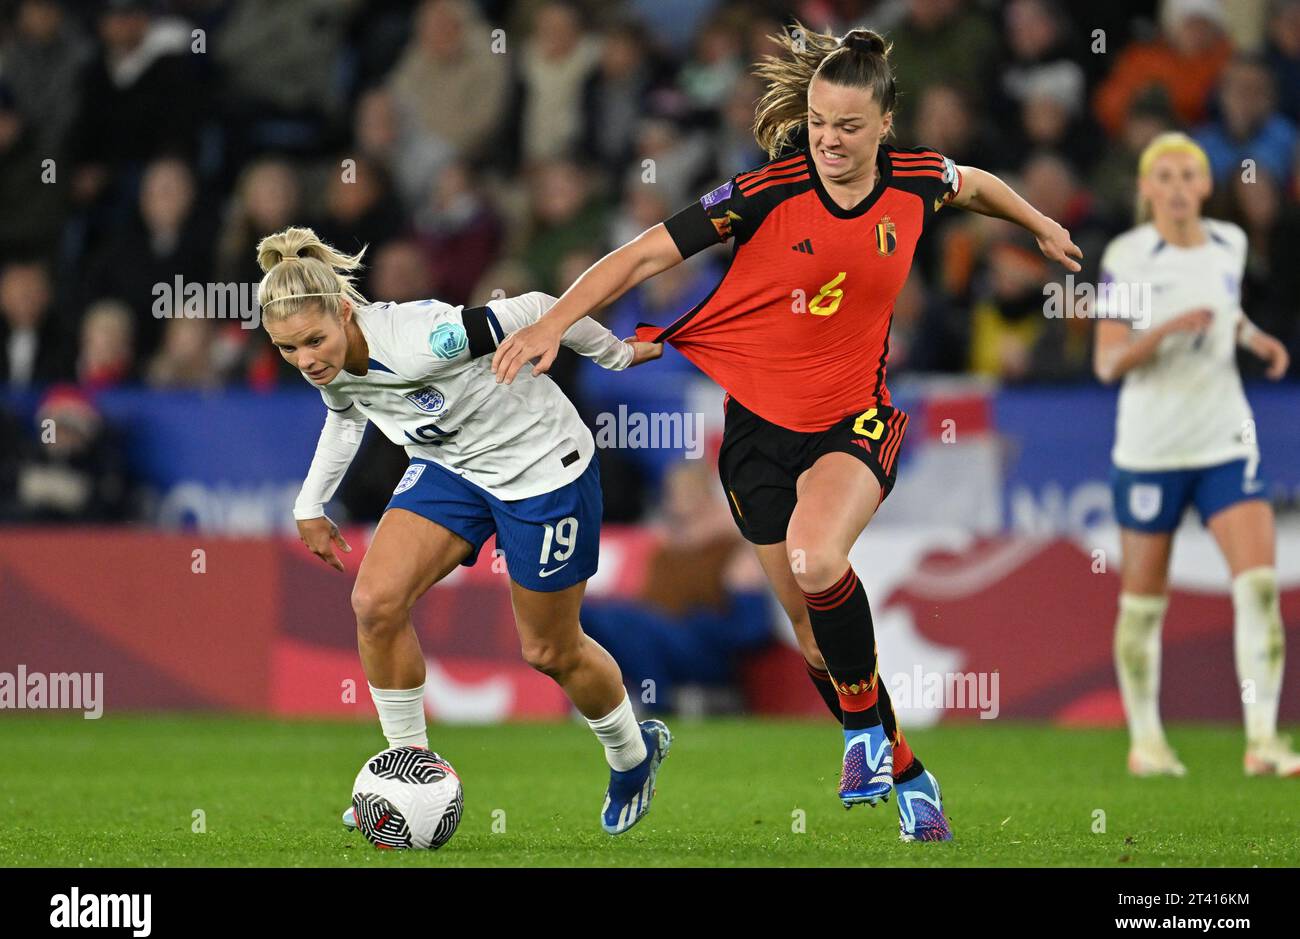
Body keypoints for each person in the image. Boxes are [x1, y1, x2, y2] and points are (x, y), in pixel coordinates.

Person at [492, 24, 1083, 842]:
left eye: (847, 126)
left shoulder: (915, 179)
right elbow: (638, 257)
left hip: (857, 418)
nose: (829, 141)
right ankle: (903, 766)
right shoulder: (764, 190)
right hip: (757, 436)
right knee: (808, 627)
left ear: (885, 124)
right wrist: (556, 321)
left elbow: (974, 182)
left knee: (817, 558)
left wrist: (1038, 223)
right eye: (816, 123)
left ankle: (864, 738)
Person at [255, 226, 671, 835]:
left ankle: (633, 756)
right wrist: (311, 503)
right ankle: (406, 770)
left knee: (549, 650)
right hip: (451, 469)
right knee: (375, 603)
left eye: (314, 341)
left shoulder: (425, 339)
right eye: (287, 350)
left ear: (345, 312)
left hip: (540, 468)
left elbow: (535, 309)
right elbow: (344, 414)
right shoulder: (330, 363)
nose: (307, 361)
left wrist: (616, 353)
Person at [1093, 132, 1296, 778]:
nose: (1179, 188)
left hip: (1224, 441)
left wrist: (1256, 338)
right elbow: (1106, 362)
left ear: (1207, 187)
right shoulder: (1126, 257)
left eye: (1190, 176)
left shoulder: (1229, 244)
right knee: (1144, 602)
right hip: (1151, 448)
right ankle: (1147, 742)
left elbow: (1225, 313)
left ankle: (1263, 740)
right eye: (1166, 177)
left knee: (1260, 587)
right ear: (1147, 189)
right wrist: (1159, 334)